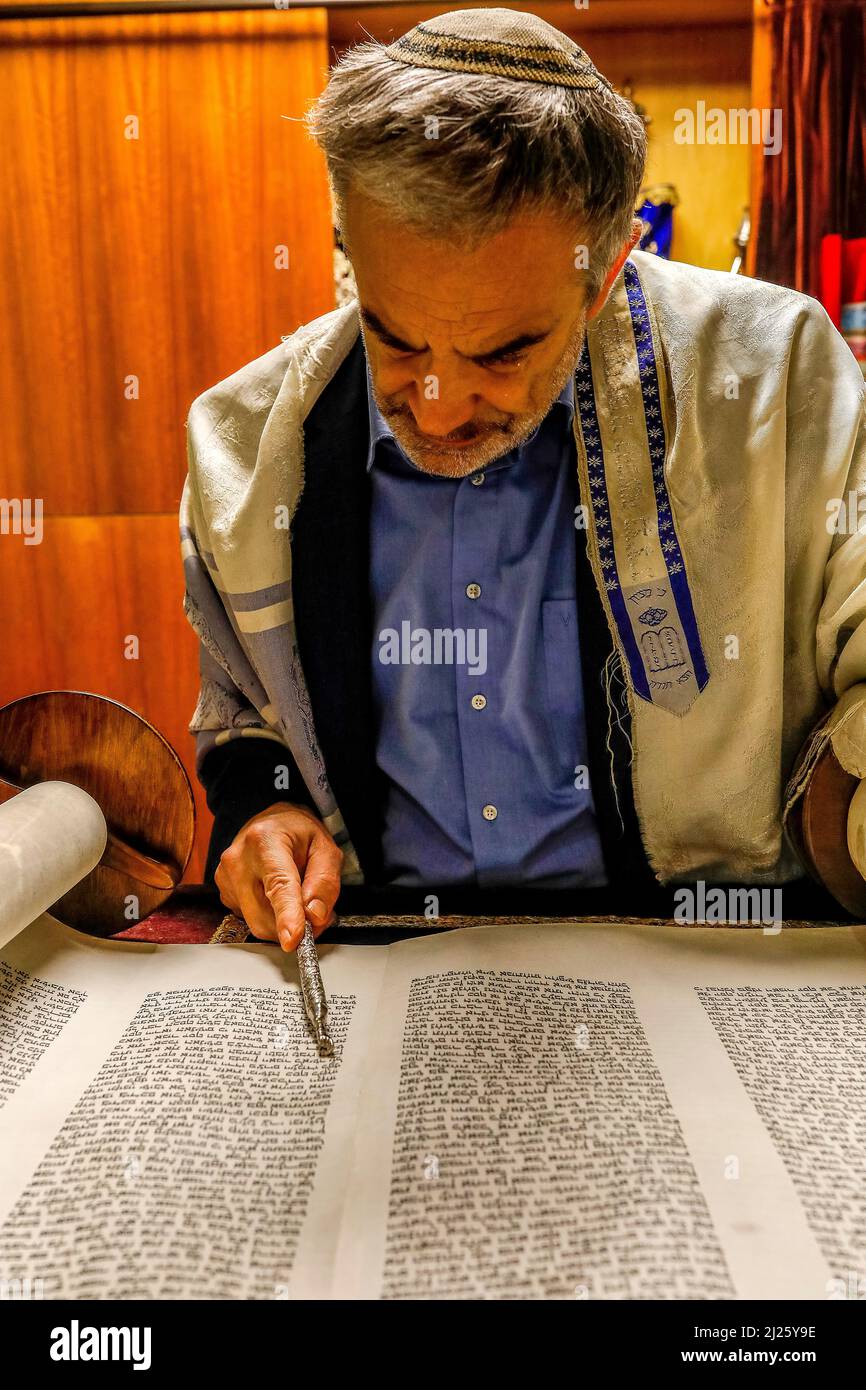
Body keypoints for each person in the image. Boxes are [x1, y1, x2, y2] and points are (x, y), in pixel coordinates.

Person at [179, 9, 866, 951]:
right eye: (394, 335)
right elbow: (246, 722)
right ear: (349, 244)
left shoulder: (774, 378)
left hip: (703, 949)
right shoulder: (249, 443)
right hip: (378, 955)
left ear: (608, 269)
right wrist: (265, 811)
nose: (441, 405)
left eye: (505, 352)